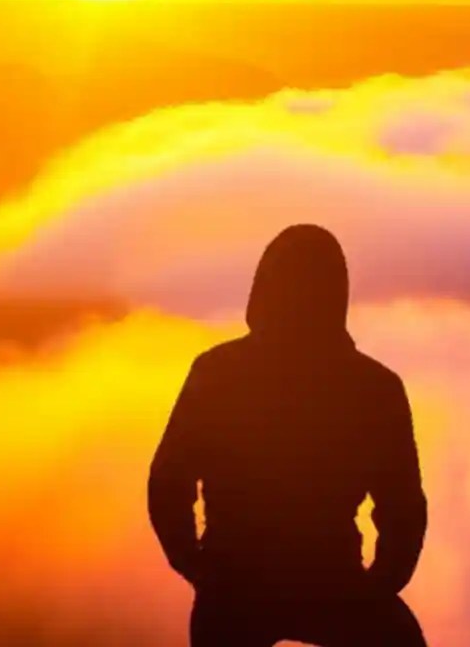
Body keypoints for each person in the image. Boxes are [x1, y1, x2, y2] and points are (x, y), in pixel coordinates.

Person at [148, 225, 428, 647]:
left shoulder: (217, 372)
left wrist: (197, 566)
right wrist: (381, 584)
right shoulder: (376, 387)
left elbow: (168, 482)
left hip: (234, 583)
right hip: (330, 579)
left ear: (262, 289)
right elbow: (402, 507)